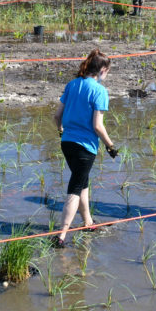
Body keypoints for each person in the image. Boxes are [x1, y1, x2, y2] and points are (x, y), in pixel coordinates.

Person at [52, 49, 118, 247]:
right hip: (85, 148)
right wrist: (111, 146)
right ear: (103, 70)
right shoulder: (99, 91)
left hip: (67, 143)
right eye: (107, 71)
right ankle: (62, 234)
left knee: (83, 182)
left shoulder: (72, 85)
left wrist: (62, 131)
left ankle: (88, 222)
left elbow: (57, 116)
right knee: (74, 189)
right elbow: (98, 126)